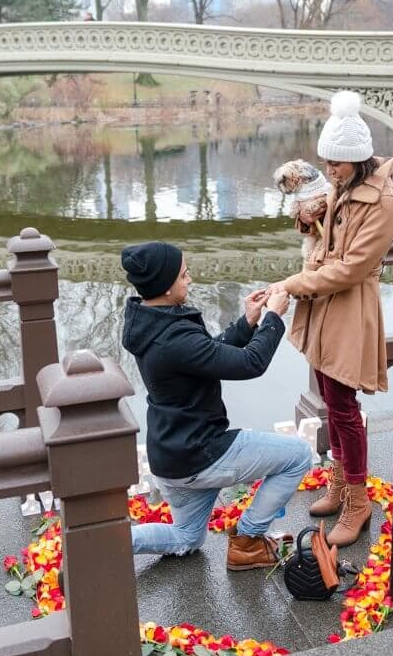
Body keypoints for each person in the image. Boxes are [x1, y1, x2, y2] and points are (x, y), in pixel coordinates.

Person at [121, 241, 313, 570]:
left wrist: (247, 323)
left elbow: (207, 353)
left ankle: (99, 548)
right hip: (202, 453)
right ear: (166, 286)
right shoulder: (174, 337)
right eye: (184, 275)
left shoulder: (149, 322)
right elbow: (251, 363)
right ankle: (248, 541)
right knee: (298, 456)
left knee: (187, 538)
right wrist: (272, 319)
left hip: (171, 457)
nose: (190, 279)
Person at [268, 91, 393, 547]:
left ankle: (359, 500)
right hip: (325, 305)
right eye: (326, 163)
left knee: (344, 406)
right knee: (331, 400)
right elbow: (328, 247)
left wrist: (290, 284)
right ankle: (341, 481)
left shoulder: (385, 204)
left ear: (359, 159)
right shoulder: (340, 190)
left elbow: (351, 269)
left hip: (348, 308)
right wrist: (309, 223)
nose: (330, 171)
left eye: (337, 164)